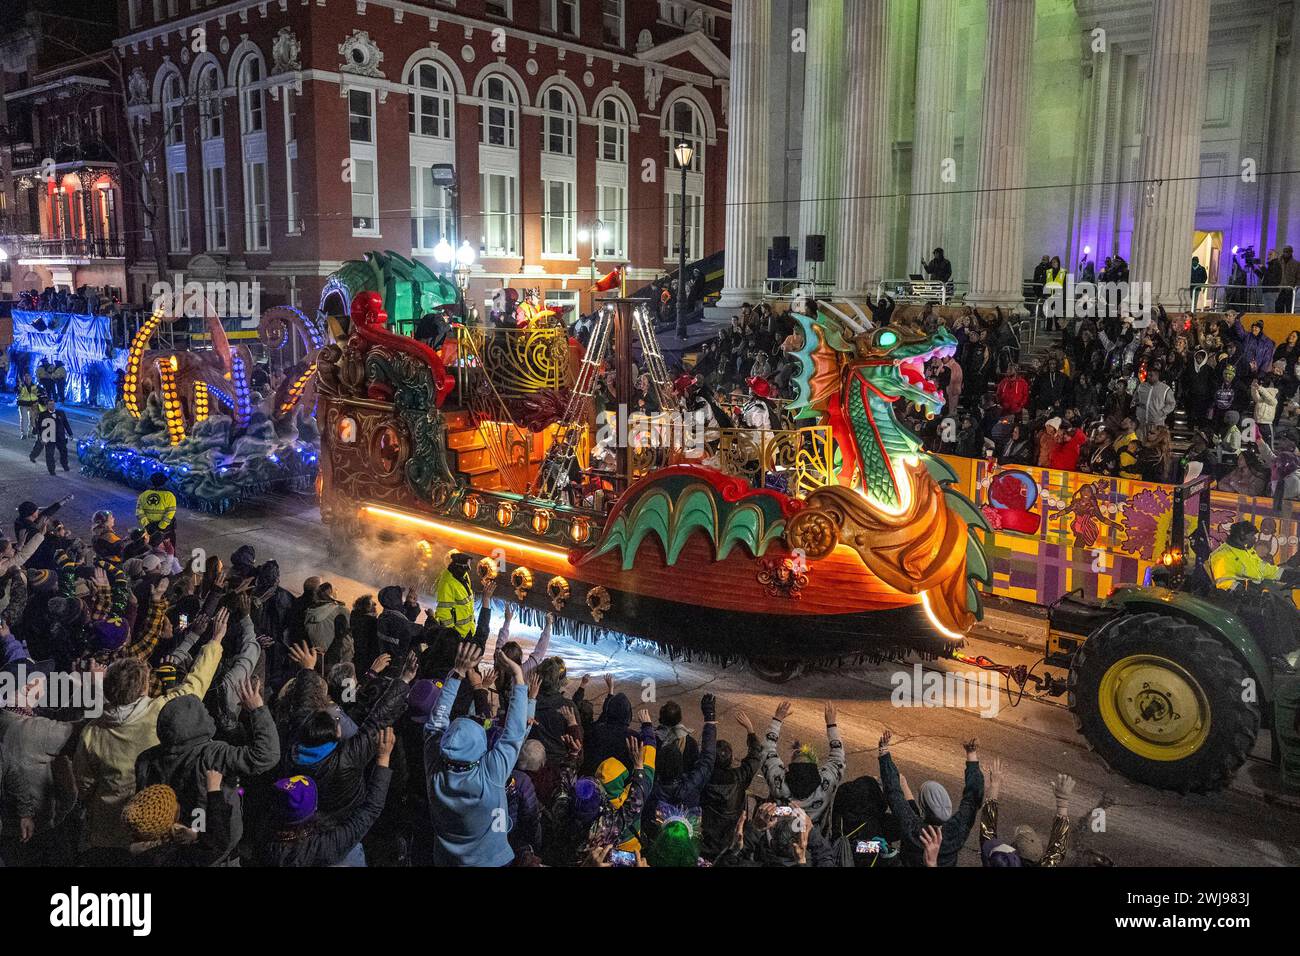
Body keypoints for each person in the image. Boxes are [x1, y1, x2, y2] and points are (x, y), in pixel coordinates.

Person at [424, 641, 529, 866]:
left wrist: (457, 673)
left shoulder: (435, 767)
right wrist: (518, 676)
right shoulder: (489, 775)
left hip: (447, 860)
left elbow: (435, 724)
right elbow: (515, 733)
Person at [878, 730, 984, 867]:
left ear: (924, 808)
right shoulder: (955, 832)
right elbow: (972, 799)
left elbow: (894, 795)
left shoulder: (913, 829)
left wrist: (884, 751)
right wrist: (971, 754)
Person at [760, 699, 845, 826]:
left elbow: (766, 750)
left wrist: (777, 720)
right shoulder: (825, 785)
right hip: (812, 837)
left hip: (778, 836)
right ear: (815, 768)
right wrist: (831, 725)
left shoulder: (778, 783)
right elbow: (838, 757)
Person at [28, 399, 73, 476]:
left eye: (53, 404)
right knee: (49, 454)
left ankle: (65, 465)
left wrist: (70, 433)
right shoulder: (43, 415)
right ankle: (51, 470)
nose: (52, 406)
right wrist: (41, 437)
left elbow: (66, 423)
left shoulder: (60, 413)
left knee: (64, 452)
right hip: (49, 436)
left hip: (60, 437)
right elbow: (39, 427)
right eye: (50, 404)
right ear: (47, 406)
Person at [136, 473, 178, 549]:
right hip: (166, 530)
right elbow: (170, 514)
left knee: (149, 548)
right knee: (168, 550)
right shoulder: (169, 496)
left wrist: (147, 525)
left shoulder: (144, 495)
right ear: (164, 482)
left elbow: (139, 513)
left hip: (149, 529)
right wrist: (160, 527)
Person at [16, 372, 41, 440]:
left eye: (28, 377)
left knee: (32, 419)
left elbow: (39, 394)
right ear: (24, 378)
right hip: (23, 404)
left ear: (31, 377)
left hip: (33, 404)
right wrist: (20, 386)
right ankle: (24, 434)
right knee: (24, 419)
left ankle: (31, 433)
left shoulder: (35, 386)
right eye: (26, 377)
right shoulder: (21, 385)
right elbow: (18, 392)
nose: (27, 378)